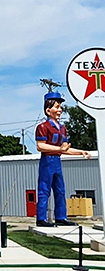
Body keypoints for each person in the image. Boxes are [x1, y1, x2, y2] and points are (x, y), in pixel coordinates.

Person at [35, 91, 91, 227]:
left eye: (60, 107)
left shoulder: (63, 129)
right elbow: (40, 146)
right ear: (48, 110)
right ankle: (41, 218)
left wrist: (79, 152)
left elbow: (65, 148)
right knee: (44, 190)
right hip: (47, 161)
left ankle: (61, 216)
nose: (59, 110)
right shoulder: (42, 127)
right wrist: (59, 150)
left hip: (57, 161)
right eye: (56, 107)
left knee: (60, 190)